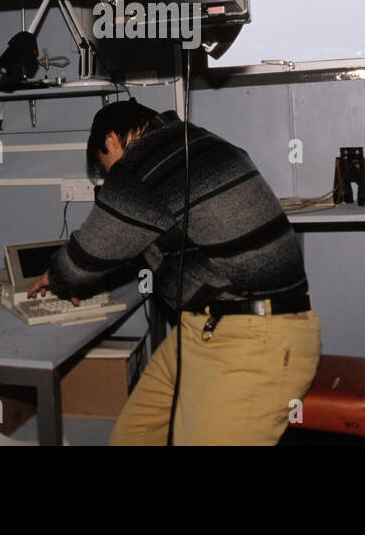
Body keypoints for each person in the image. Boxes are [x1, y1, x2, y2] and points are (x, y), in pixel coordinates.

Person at [28, 100, 320, 445]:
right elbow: (158, 237)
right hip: (209, 326)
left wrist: (58, 276)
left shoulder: (143, 162)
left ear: (111, 140)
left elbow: (89, 252)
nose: (112, 178)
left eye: (108, 169)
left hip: (254, 337)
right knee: (133, 437)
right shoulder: (194, 142)